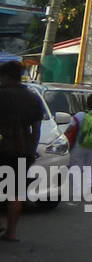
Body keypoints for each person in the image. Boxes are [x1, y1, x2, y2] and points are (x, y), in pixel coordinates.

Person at [0, 60, 43, 242]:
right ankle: (11, 233)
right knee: (15, 194)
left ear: (6, 77)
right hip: (22, 152)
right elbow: (36, 129)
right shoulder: (33, 98)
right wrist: (31, 151)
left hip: (2, 150)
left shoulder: (1, 96)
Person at [64, 92, 92, 200]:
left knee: (75, 168)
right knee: (91, 167)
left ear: (87, 103)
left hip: (80, 146)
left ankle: (77, 190)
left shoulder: (79, 115)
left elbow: (70, 129)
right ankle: (91, 185)